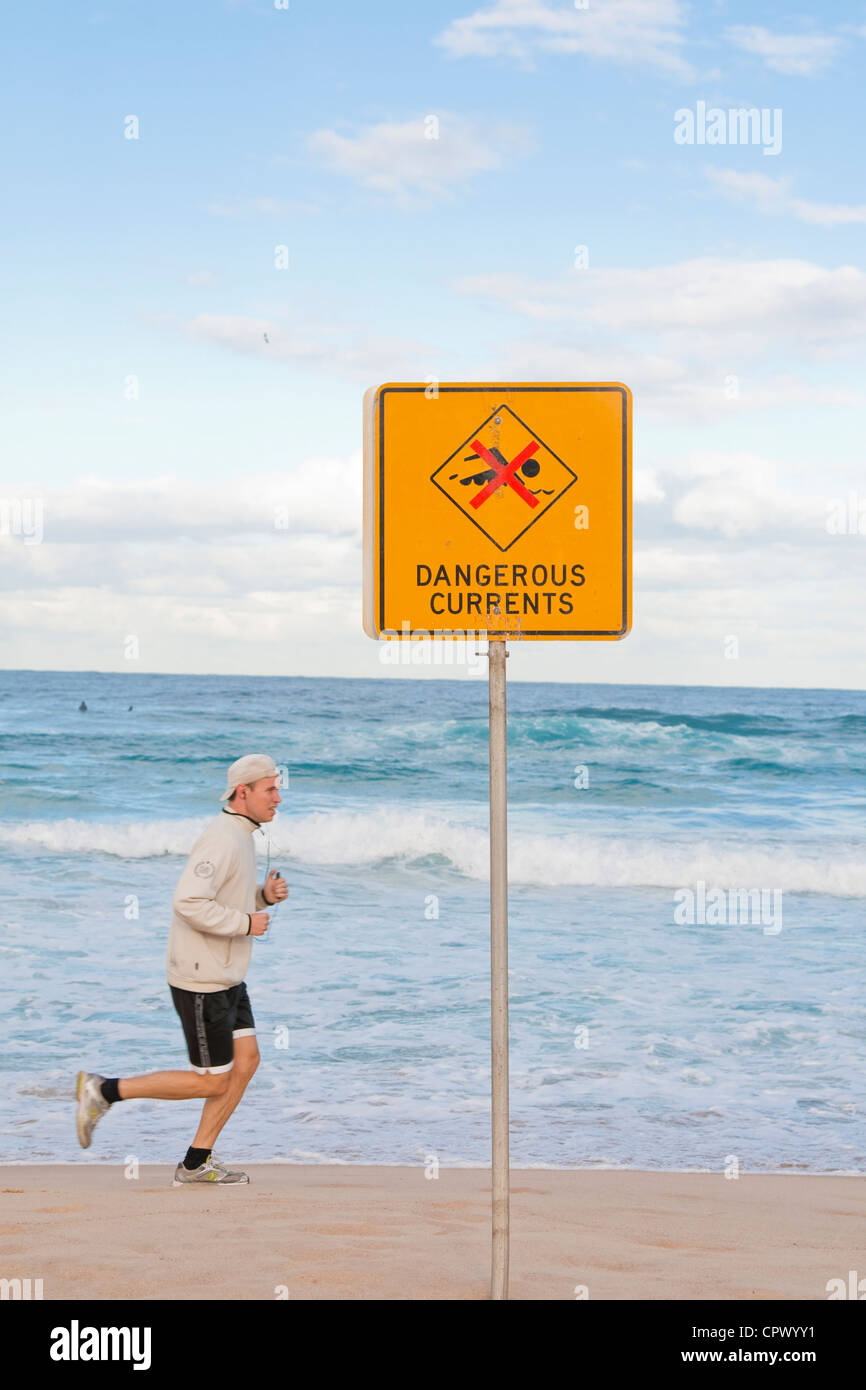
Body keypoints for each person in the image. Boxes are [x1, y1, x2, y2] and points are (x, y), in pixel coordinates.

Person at [75, 754, 288, 1185]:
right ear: (242, 792)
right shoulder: (223, 838)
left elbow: (223, 896)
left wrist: (260, 897)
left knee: (246, 1062)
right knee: (212, 1081)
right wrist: (248, 922)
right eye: (270, 789)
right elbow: (188, 902)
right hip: (202, 978)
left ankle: (196, 1163)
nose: (278, 798)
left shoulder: (243, 835)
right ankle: (103, 1090)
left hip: (227, 973)